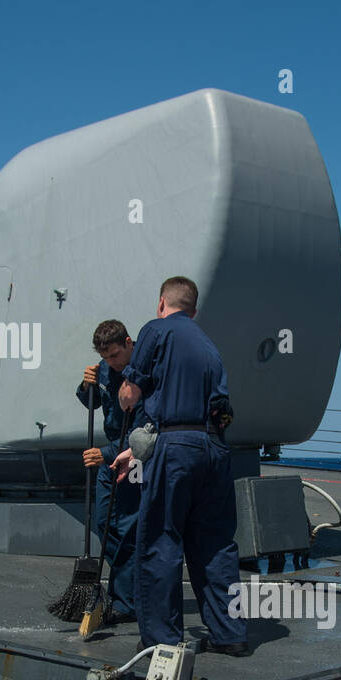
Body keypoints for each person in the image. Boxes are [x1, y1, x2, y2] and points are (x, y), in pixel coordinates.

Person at [111, 277, 248, 656]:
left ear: (161, 304)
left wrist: (124, 391)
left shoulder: (156, 331)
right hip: (215, 451)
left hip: (174, 451)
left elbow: (131, 395)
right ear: (194, 310)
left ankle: (161, 638)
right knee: (216, 545)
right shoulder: (209, 346)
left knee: (160, 538)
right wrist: (134, 451)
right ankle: (229, 634)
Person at [76, 320, 148, 625]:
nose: (111, 363)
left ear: (129, 343)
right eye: (105, 358)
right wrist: (86, 385)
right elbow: (89, 403)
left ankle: (125, 601)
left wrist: (105, 453)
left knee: (127, 528)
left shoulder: (144, 373)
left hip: (133, 460)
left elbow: (142, 428)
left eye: (115, 356)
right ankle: (131, 582)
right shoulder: (104, 370)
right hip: (109, 460)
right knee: (105, 522)